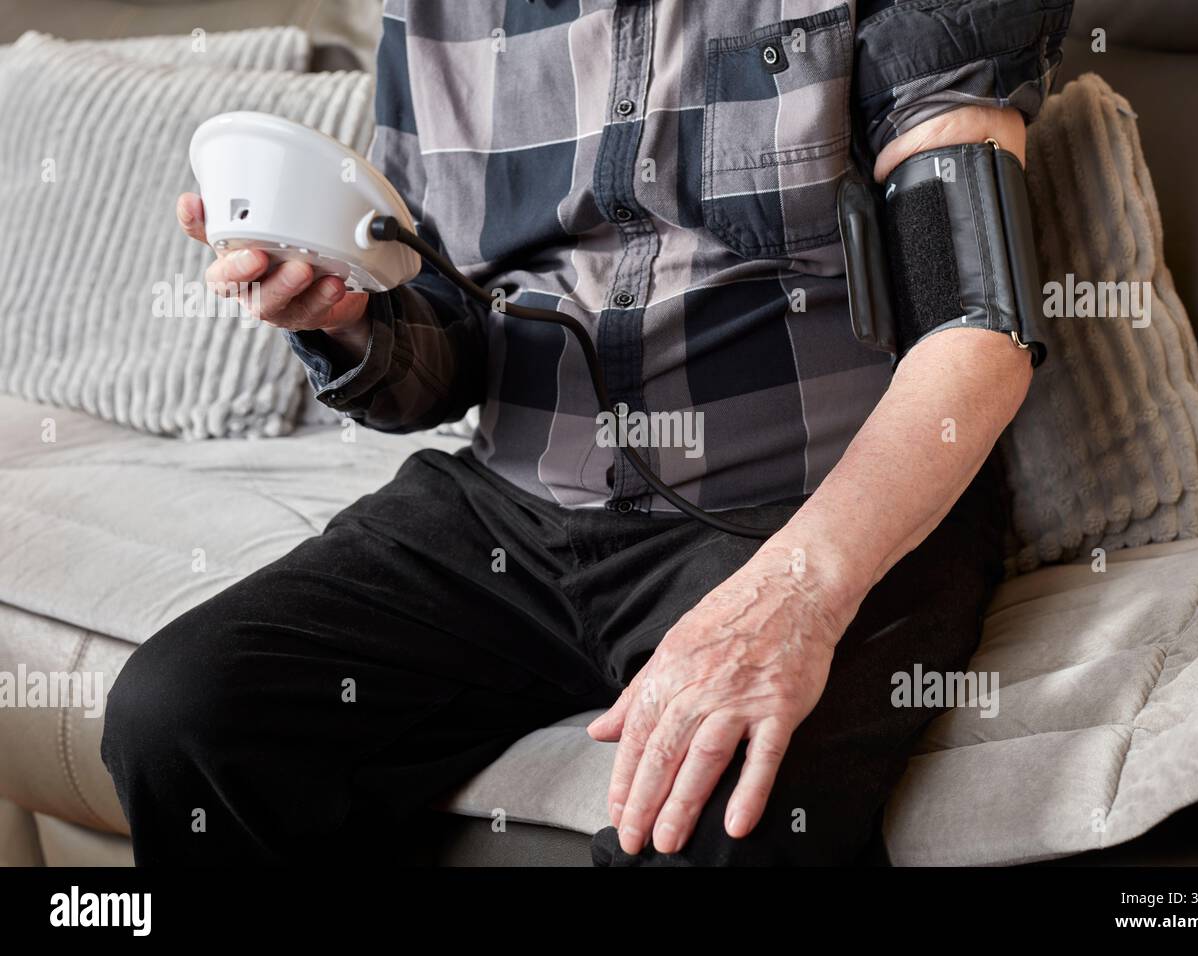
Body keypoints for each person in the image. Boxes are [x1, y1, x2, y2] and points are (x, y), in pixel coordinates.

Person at [102, 0, 1073, 866]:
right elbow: (443, 352)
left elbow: (976, 324)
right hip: (515, 502)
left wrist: (796, 592)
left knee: (717, 822)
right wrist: (343, 317)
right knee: (183, 715)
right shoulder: (429, 18)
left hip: (806, 504)